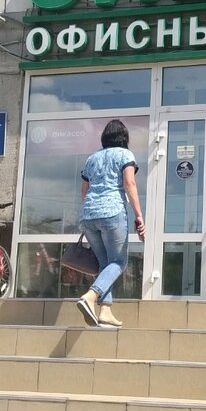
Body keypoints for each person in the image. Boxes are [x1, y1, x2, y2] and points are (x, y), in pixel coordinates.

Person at [76, 119, 146, 327]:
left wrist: (90, 209)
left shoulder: (92, 158)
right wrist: (139, 216)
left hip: (89, 215)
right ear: (124, 137)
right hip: (112, 212)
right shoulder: (125, 155)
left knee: (105, 264)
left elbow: (84, 190)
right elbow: (129, 183)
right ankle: (90, 296)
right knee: (118, 262)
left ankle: (105, 311)